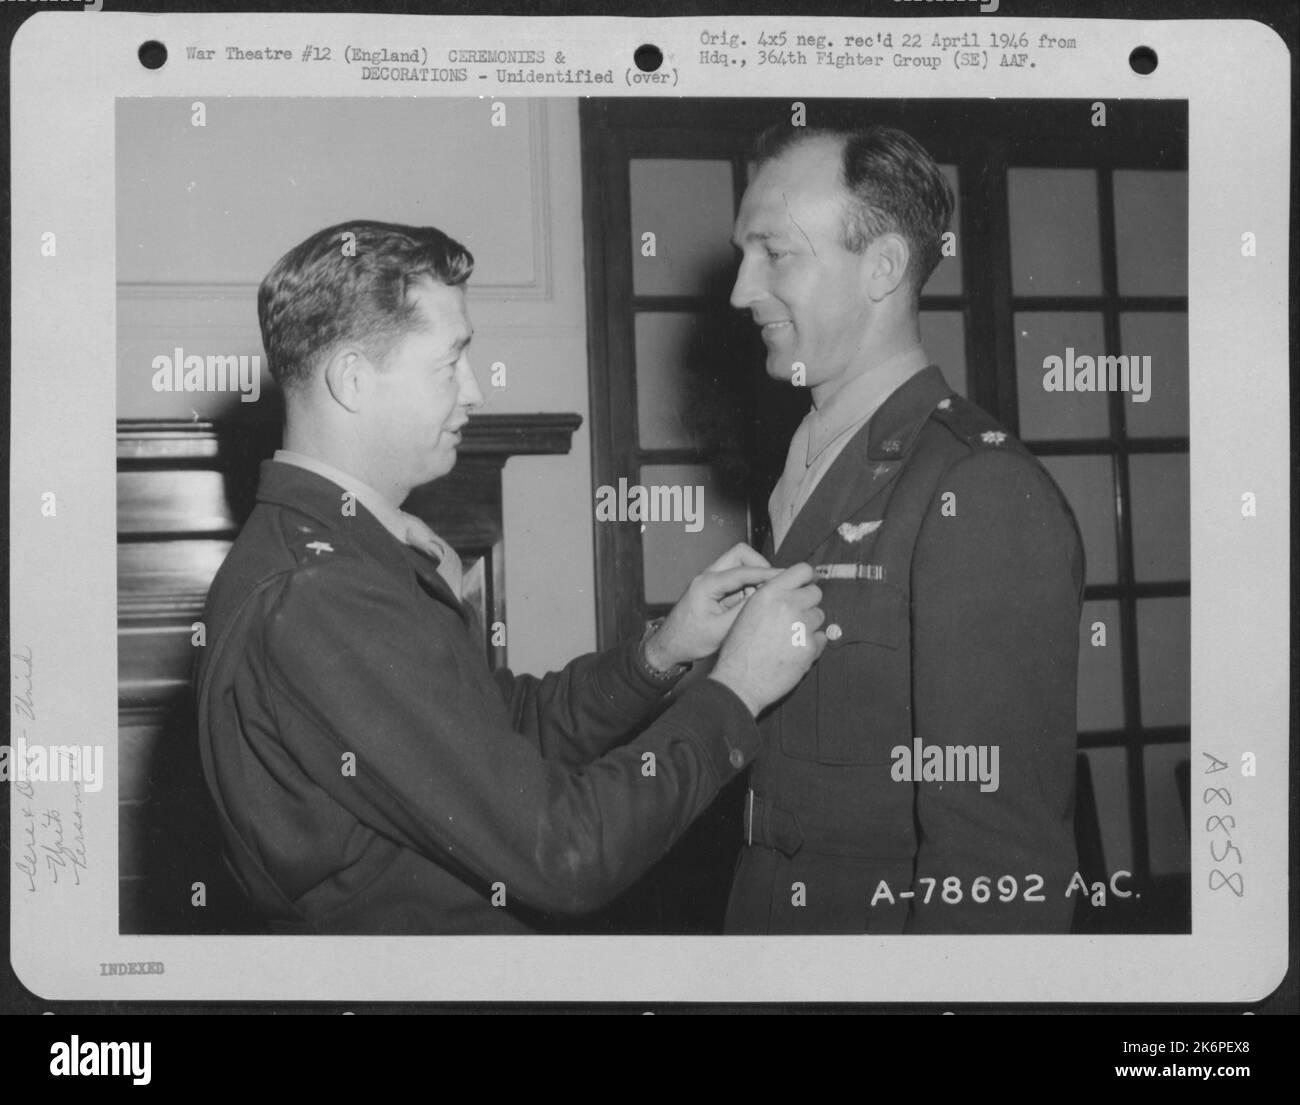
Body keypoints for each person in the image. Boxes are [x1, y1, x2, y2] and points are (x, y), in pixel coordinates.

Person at [195, 220, 826, 934]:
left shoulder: (338, 552)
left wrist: (663, 651)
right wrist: (734, 691)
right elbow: (565, 850)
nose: (475, 391)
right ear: (351, 379)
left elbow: (504, 732)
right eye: (451, 360)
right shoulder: (322, 595)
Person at [724, 125, 1085, 934]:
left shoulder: (977, 488)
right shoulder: (810, 462)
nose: (741, 290)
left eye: (774, 253)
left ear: (882, 267)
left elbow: (999, 875)